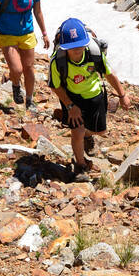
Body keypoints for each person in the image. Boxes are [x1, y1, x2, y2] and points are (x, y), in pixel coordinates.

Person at [48, 18, 131, 181]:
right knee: (76, 131)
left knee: (100, 131)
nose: (77, 50)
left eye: (79, 45)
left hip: (94, 95)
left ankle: (87, 135)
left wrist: (122, 95)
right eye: (71, 47)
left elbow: (109, 74)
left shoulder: (94, 53)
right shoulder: (58, 61)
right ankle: (80, 166)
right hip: (72, 97)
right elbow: (55, 86)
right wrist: (70, 106)